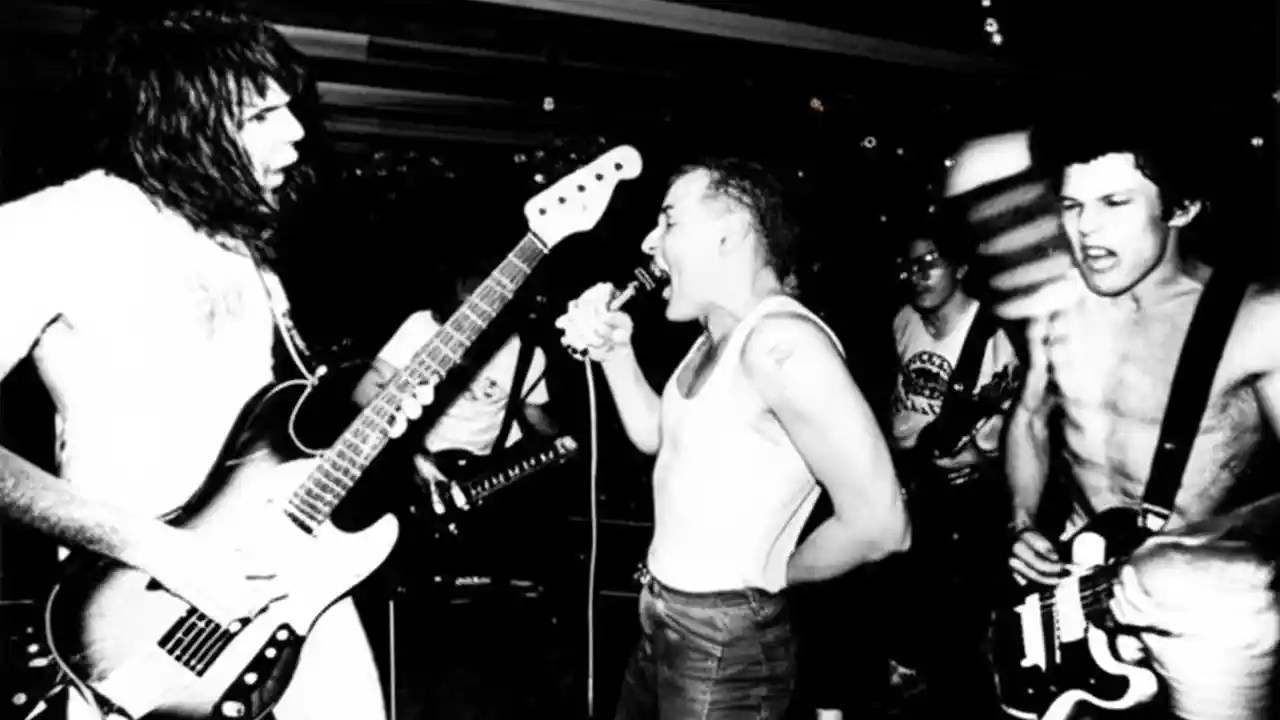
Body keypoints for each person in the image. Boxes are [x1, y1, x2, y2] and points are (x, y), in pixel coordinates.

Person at [0, 8, 387, 719]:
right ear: (181, 119)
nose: (297, 131)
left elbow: (265, 428)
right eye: (263, 114)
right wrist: (157, 547)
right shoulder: (55, 226)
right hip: (141, 610)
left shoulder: (242, 248)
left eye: (289, 108)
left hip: (292, 571)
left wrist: (367, 401)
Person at [947, 115, 1280, 718]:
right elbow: (1029, 419)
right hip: (1072, 593)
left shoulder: (1259, 323)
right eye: (1071, 205)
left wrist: (1200, 548)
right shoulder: (1055, 309)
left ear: (1181, 208)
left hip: (1194, 617)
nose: (1085, 228)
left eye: (1114, 203)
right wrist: (1022, 523)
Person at [555, 158, 910, 719]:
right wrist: (615, 353)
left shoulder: (782, 344)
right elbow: (657, 437)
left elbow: (882, 525)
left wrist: (777, 575)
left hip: (722, 638)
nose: (649, 242)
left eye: (669, 220)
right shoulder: (715, 339)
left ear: (731, 231)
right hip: (664, 616)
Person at [352, 253, 557, 516]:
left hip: (480, 477)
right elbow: (364, 390)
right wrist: (409, 454)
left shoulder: (527, 355)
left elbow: (534, 414)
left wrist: (571, 438)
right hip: (410, 466)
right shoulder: (421, 326)